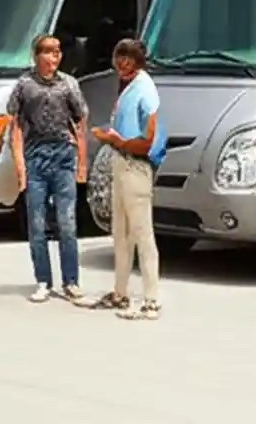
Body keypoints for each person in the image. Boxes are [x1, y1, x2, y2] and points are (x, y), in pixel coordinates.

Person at [85, 38, 166, 321]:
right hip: (122, 164)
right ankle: (120, 293)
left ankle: (151, 300)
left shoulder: (145, 90)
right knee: (120, 232)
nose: (122, 67)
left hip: (136, 166)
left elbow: (148, 141)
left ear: (138, 63)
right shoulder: (128, 88)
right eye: (119, 61)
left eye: (128, 62)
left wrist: (113, 140)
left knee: (143, 234)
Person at [6, 34, 90, 304]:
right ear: (37, 55)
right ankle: (43, 279)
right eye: (49, 52)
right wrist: (20, 166)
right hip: (36, 156)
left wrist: (82, 164)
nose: (54, 57)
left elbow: (80, 123)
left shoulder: (69, 85)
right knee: (37, 223)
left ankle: (71, 281)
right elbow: (15, 125)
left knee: (67, 222)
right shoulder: (24, 85)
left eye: (57, 52)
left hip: (64, 154)